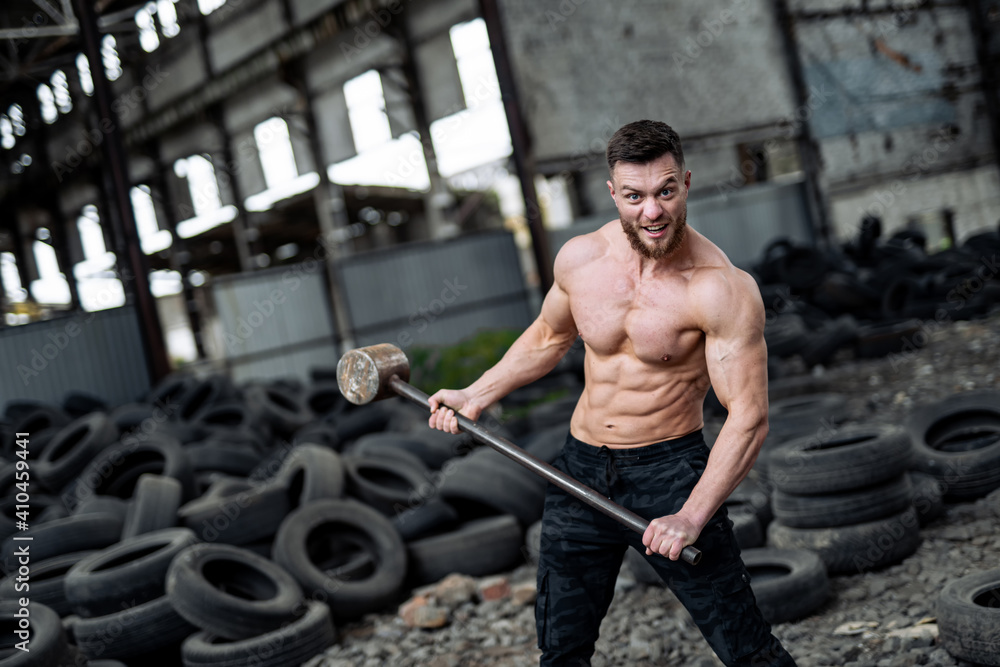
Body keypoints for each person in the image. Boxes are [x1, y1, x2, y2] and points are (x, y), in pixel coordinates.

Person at [427, 120, 796, 666]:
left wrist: (690, 516)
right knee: (561, 650)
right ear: (612, 194)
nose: (652, 212)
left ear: (686, 183)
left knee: (746, 648)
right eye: (634, 196)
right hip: (579, 472)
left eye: (665, 191)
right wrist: (476, 393)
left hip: (669, 474)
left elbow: (748, 416)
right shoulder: (581, 259)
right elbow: (549, 336)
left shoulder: (720, 288)